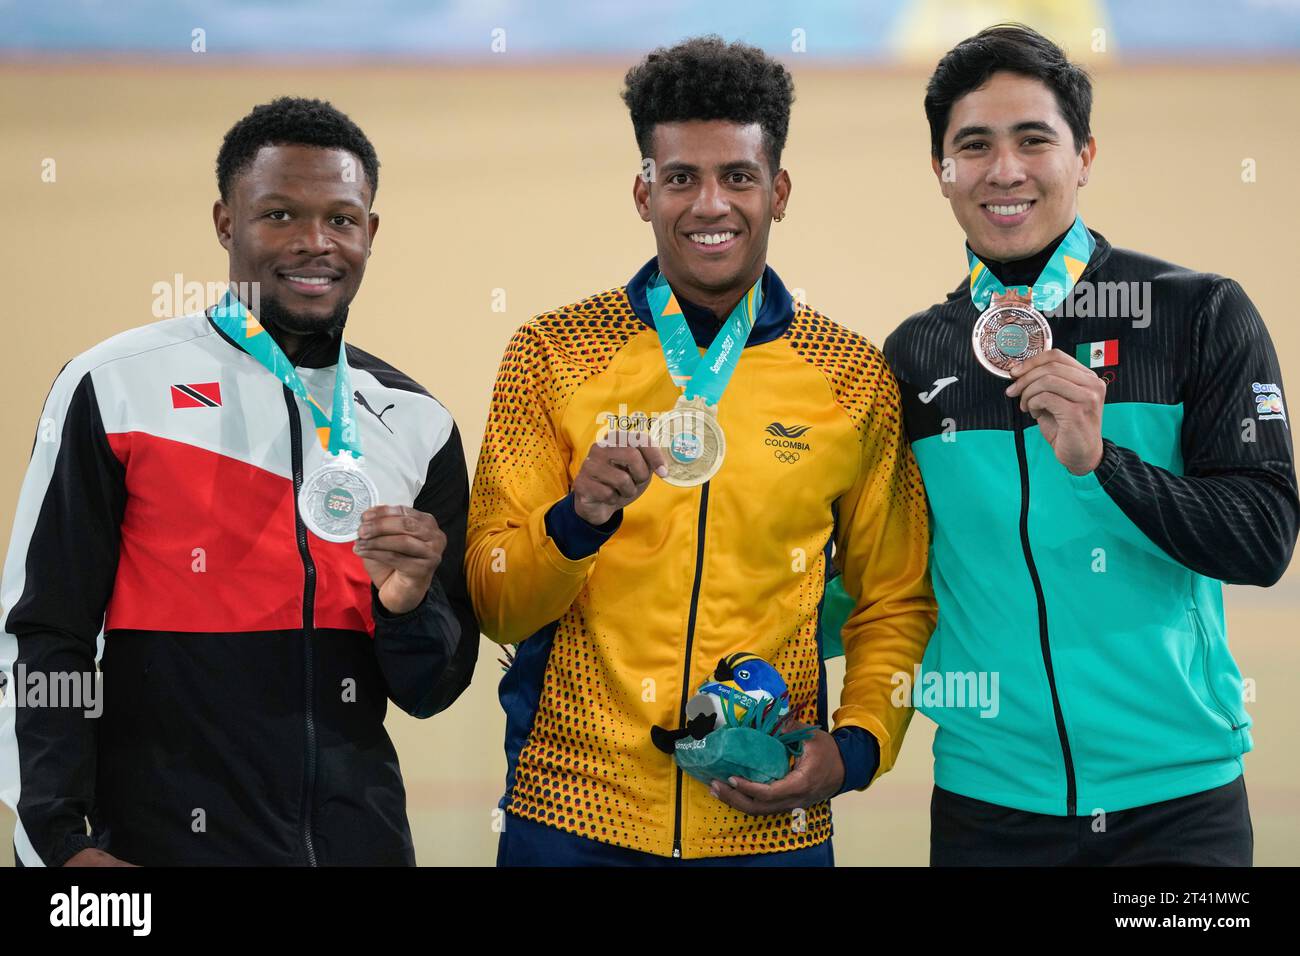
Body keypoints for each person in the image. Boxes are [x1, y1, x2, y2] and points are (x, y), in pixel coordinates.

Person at [467, 36, 936, 866]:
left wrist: (856, 746)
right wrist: (576, 520)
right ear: (643, 190)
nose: (709, 204)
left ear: (778, 191)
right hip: (571, 813)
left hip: (768, 818)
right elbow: (496, 603)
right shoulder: (554, 352)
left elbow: (895, 598)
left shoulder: (851, 377)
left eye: (738, 177)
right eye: (680, 177)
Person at [0, 97, 478, 866]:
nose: (315, 244)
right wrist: (59, 844)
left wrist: (408, 607)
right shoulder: (116, 386)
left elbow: (432, 689)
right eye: (280, 215)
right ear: (227, 223)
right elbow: (42, 634)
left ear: (371, 233)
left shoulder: (419, 423)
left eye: (342, 219)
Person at [883, 24, 1298, 865]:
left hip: (1177, 803)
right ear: (942, 172)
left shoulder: (1198, 312)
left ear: (1084, 156)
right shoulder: (913, 354)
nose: (1005, 170)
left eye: (1035, 140)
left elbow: (1262, 541)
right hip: (986, 801)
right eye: (975, 146)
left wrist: (1105, 465)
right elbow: (882, 573)